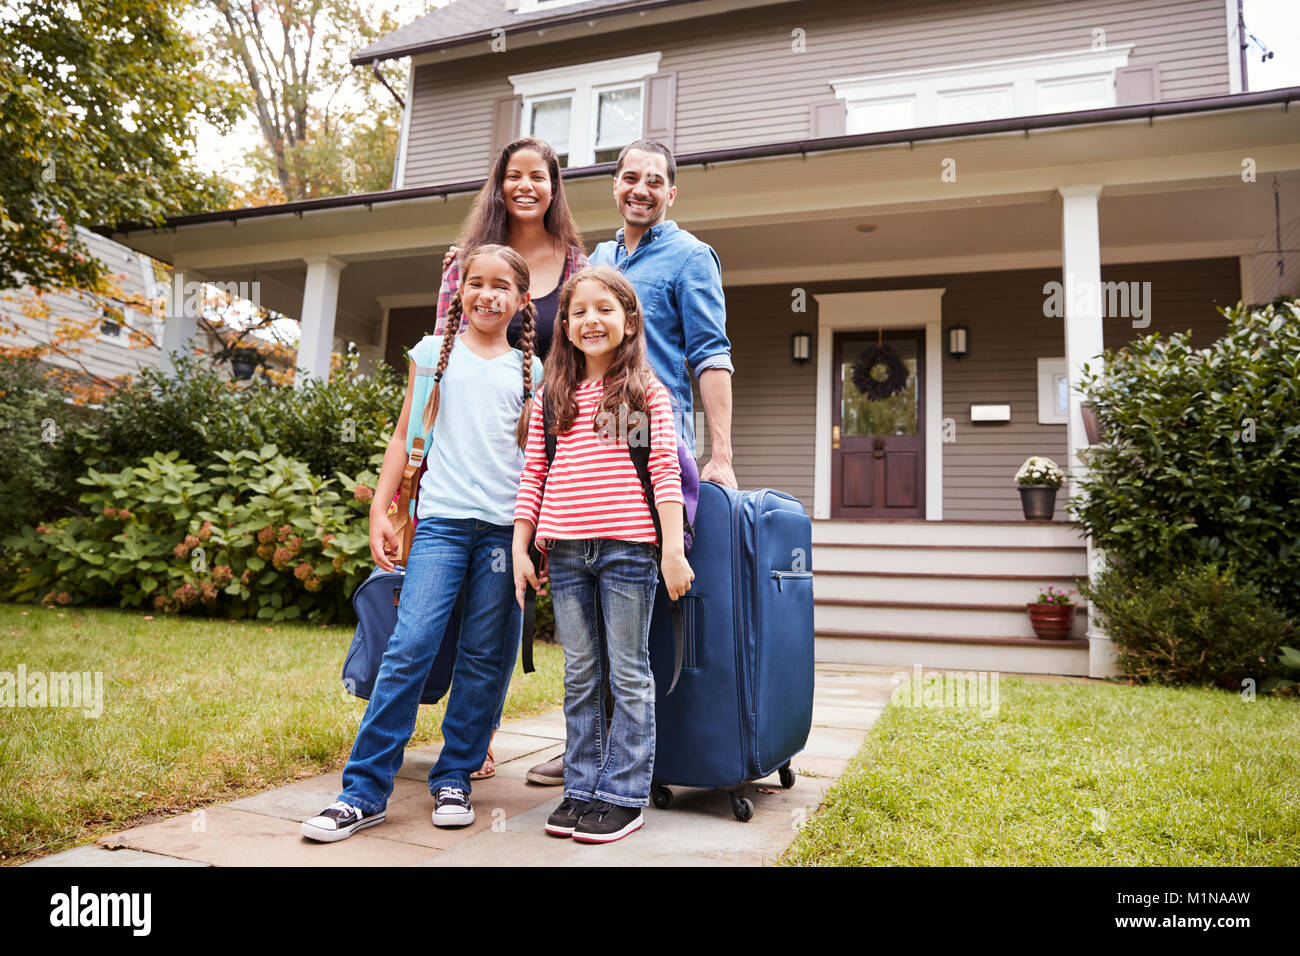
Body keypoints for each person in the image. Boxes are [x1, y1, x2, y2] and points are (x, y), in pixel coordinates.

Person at [302, 245, 544, 841]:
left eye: (500, 287)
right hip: (439, 524)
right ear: (460, 291)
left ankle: (456, 773)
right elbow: (403, 433)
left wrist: (537, 541)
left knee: (486, 657)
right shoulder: (433, 354)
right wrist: (381, 509)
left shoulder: (533, 372)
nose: (487, 295)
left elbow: (541, 461)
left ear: (521, 299)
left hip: (504, 531)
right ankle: (363, 790)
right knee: (409, 646)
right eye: (475, 283)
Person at [523, 138, 737, 787]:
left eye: (655, 181)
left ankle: (637, 760)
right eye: (630, 178)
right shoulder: (599, 259)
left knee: (636, 600)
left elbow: (711, 353)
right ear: (614, 186)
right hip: (592, 440)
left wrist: (720, 454)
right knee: (588, 616)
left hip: (652, 438)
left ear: (671, 193)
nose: (641, 189)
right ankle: (591, 754)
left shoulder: (692, 256)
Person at [513, 265, 692, 844]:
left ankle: (623, 794)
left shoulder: (638, 393)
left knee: (629, 671)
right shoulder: (554, 396)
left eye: (605, 309)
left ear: (629, 321)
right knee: (582, 672)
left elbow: (663, 471)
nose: (592, 320)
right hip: (564, 552)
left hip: (627, 551)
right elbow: (534, 474)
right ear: (563, 327)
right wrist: (521, 546)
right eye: (579, 311)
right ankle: (582, 787)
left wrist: (671, 551)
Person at [435, 136, 588, 780]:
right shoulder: (465, 262)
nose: (526, 186)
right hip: (475, 448)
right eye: (513, 176)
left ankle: (479, 728)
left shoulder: (577, 262)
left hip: (552, 440)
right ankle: (474, 735)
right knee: (469, 592)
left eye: (539, 176)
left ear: (554, 186)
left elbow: (587, 343)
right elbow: (445, 351)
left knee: (515, 590)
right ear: (499, 184)